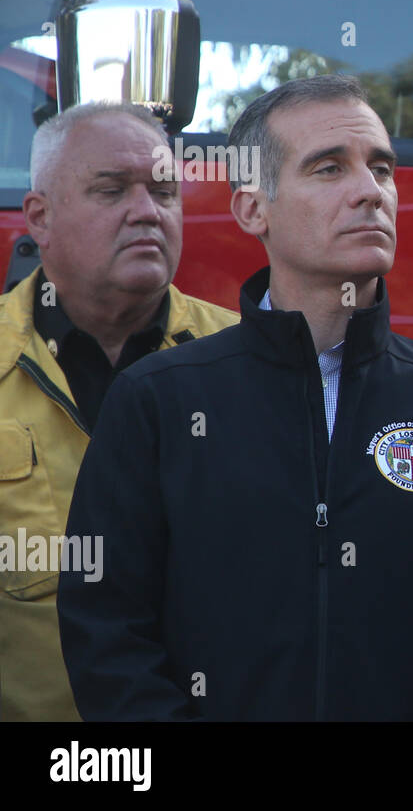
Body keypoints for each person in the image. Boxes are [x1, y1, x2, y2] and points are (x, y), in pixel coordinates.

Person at [58, 75, 413, 720]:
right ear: (252, 209)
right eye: (328, 169)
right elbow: (106, 630)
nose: (370, 192)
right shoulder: (158, 402)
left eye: (381, 169)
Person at [0, 103, 236, 722]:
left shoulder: (249, 363)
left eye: (164, 191)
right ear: (40, 219)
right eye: (112, 190)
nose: (146, 211)